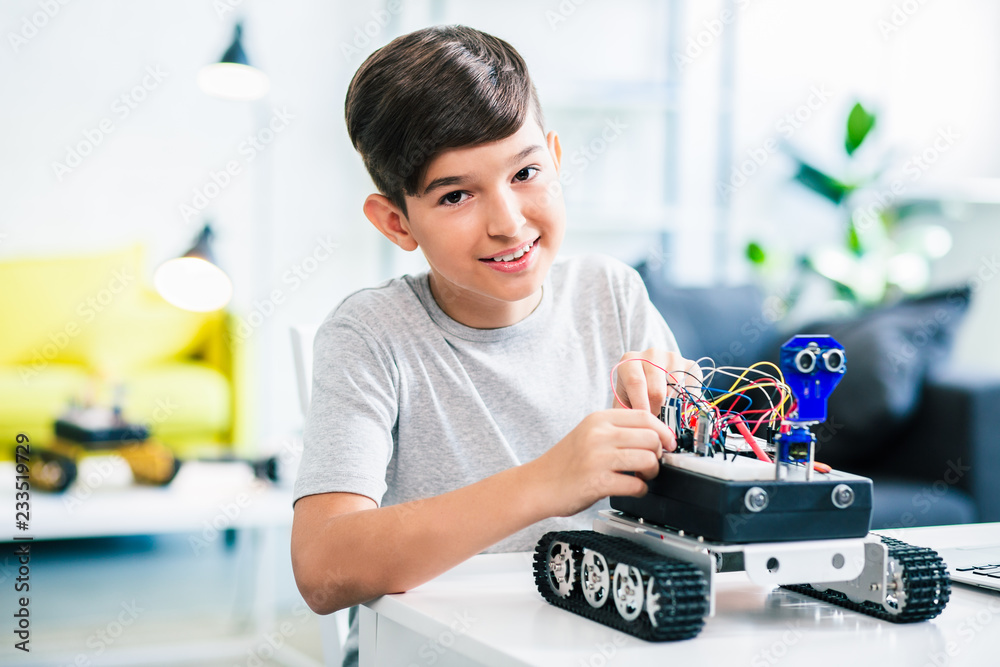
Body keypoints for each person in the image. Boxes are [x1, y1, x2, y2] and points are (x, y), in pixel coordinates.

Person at [291, 24, 697, 665]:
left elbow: (687, 500)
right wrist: (547, 481)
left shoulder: (612, 294)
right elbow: (322, 566)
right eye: (456, 194)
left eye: (526, 172)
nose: (508, 221)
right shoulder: (370, 335)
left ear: (556, 159)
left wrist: (694, 438)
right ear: (397, 222)